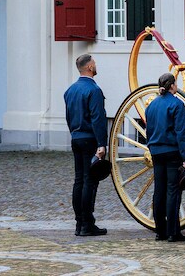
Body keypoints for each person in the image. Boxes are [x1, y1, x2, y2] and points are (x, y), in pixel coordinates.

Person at [63, 53, 107, 237]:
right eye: (94, 63)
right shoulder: (94, 90)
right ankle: (87, 223)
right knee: (90, 181)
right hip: (90, 138)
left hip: (76, 137)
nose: (96, 66)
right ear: (89, 67)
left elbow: (68, 116)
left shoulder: (70, 90)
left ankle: (79, 222)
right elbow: (98, 119)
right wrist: (102, 144)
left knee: (79, 180)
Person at [145, 72, 185, 242]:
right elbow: (182, 133)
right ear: (172, 85)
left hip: (157, 151)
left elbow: (148, 131)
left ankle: (160, 230)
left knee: (159, 190)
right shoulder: (177, 104)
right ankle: (173, 231)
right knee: (173, 190)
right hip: (172, 152)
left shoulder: (151, 106)